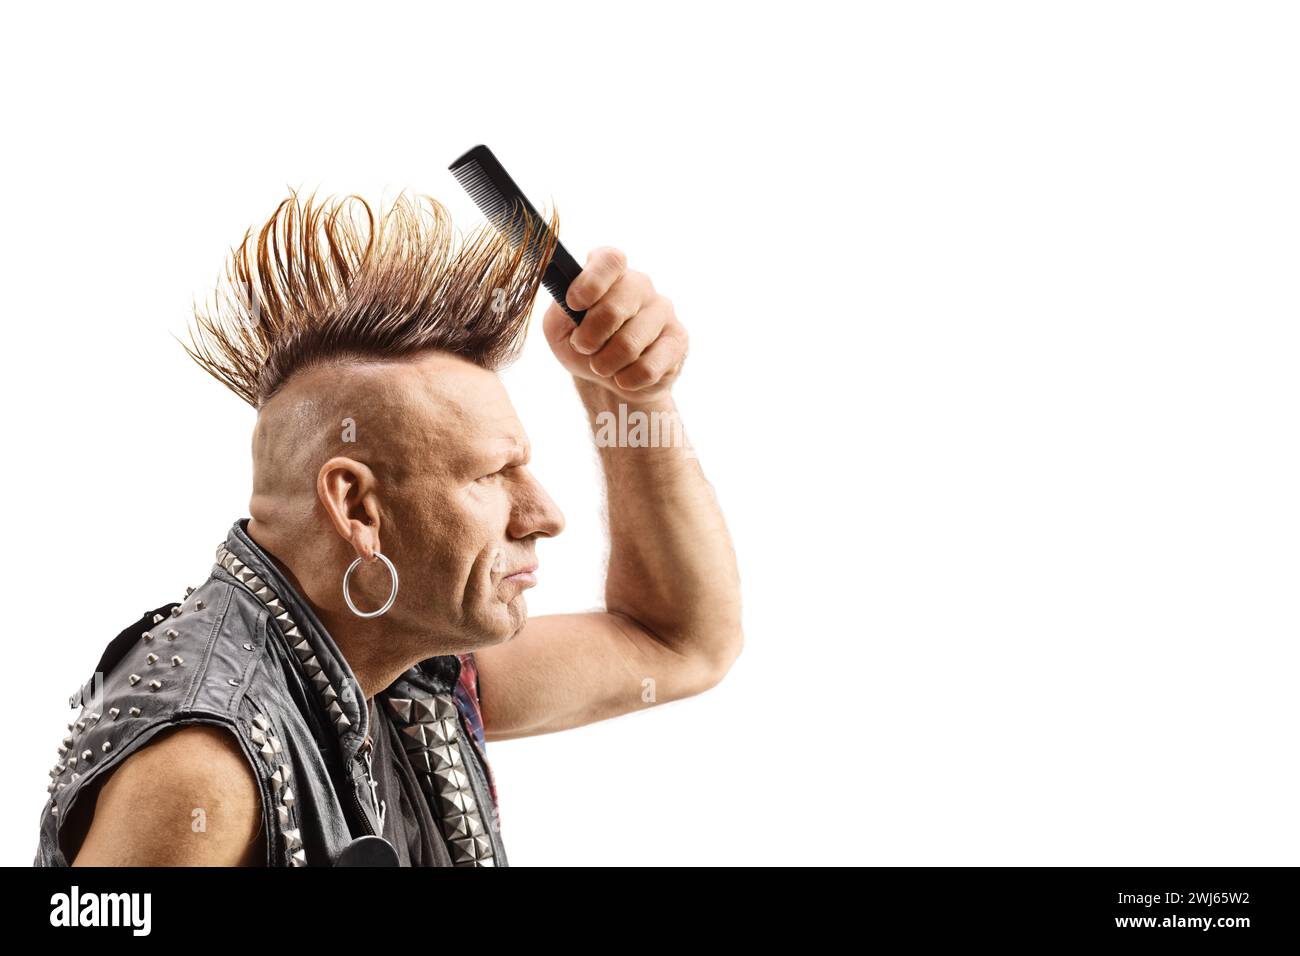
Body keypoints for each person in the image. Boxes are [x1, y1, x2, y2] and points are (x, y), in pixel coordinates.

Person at [34, 190, 743, 866]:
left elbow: (679, 639)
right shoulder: (206, 772)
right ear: (358, 509)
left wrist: (625, 393)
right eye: (490, 475)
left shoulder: (402, 666)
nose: (545, 515)